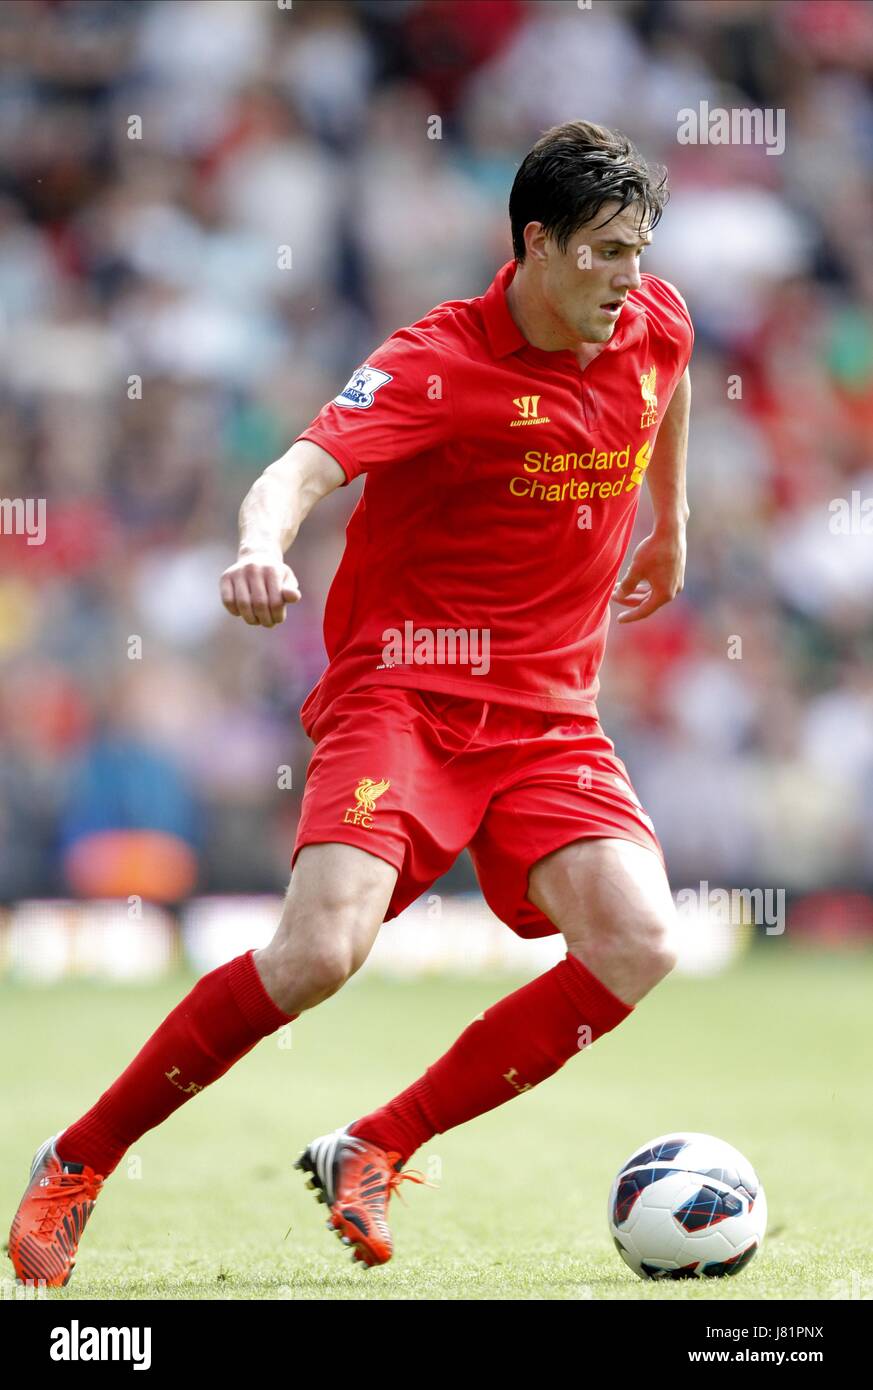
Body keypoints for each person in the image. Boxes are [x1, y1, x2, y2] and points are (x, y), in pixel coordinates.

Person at [9, 120, 693, 1282]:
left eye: (641, 248)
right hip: (408, 693)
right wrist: (257, 545)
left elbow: (669, 389)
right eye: (607, 252)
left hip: (548, 716)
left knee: (638, 941)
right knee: (320, 952)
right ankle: (77, 1157)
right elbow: (303, 466)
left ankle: (376, 1144)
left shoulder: (652, 323)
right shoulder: (437, 362)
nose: (631, 279)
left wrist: (671, 522)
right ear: (535, 244)